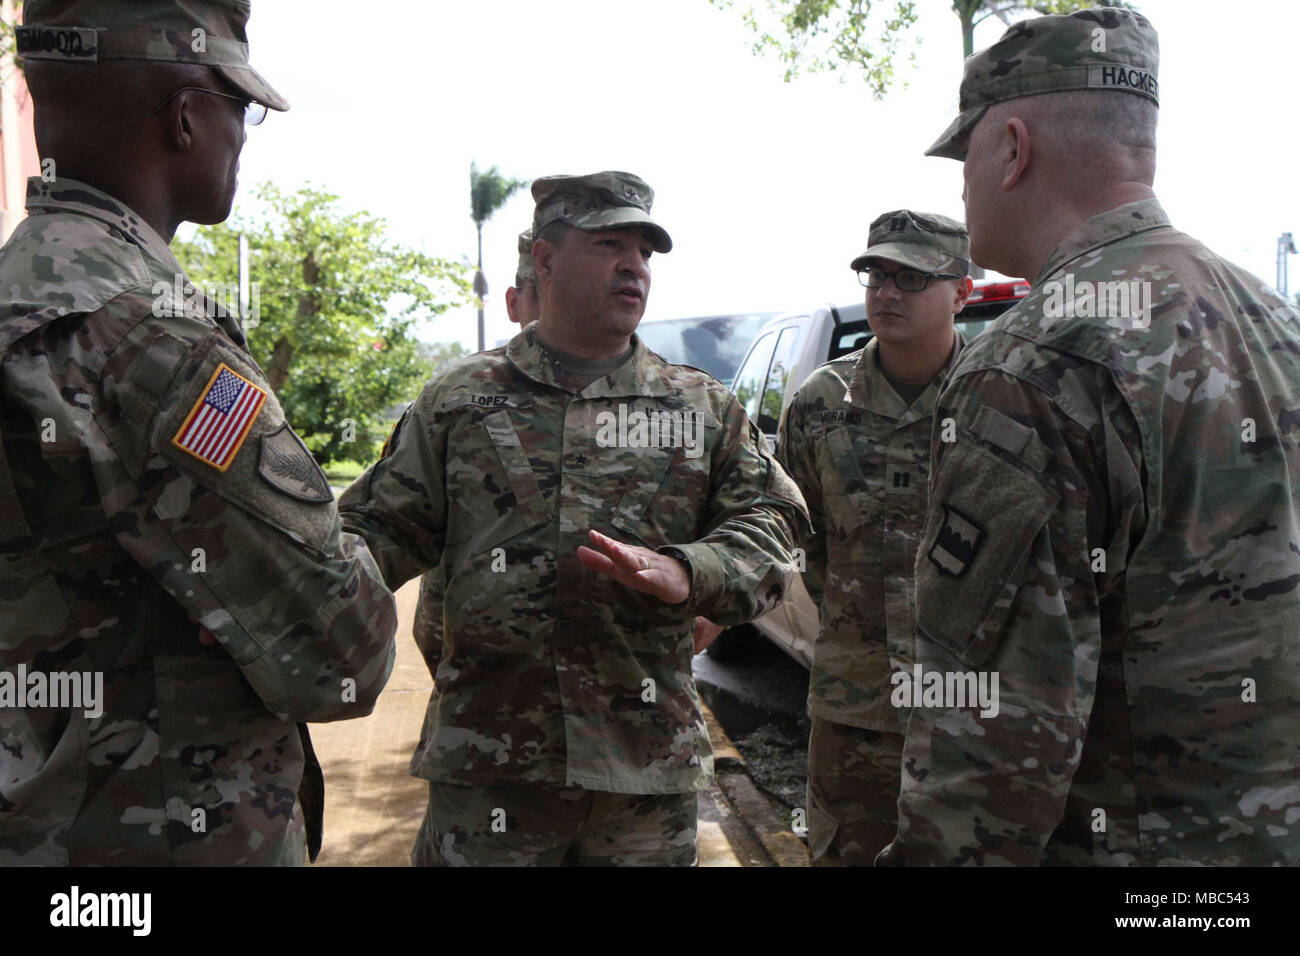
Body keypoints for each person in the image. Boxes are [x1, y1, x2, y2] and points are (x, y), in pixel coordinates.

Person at [885, 6, 1300, 865]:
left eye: (965, 155)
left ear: (1013, 147)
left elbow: (990, 752)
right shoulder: (1274, 319)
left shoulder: (1034, 362)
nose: (959, 187)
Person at [0, 0, 396, 866]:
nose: (245, 136)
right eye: (241, 108)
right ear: (185, 118)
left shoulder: (20, 293)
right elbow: (345, 651)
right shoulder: (150, 342)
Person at [339, 170, 809, 866]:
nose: (634, 266)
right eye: (610, 243)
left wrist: (694, 570)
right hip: (489, 774)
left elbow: (776, 522)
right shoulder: (461, 400)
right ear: (546, 260)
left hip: (644, 777)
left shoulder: (699, 409)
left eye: (645, 251)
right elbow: (373, 536)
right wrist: (274, 601)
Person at [778, 210, 972, 865]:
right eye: (875, 274)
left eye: (911, 277)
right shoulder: (819, 403)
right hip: (855, 707)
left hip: (973, 706)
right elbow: (805, 539)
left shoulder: (996, 399)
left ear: (962, 293)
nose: (887, 291)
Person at [411, 227, 539, 676]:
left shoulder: (666, 404)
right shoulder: (459, 395)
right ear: (513, 303)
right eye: (540, 298)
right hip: (476, 684)